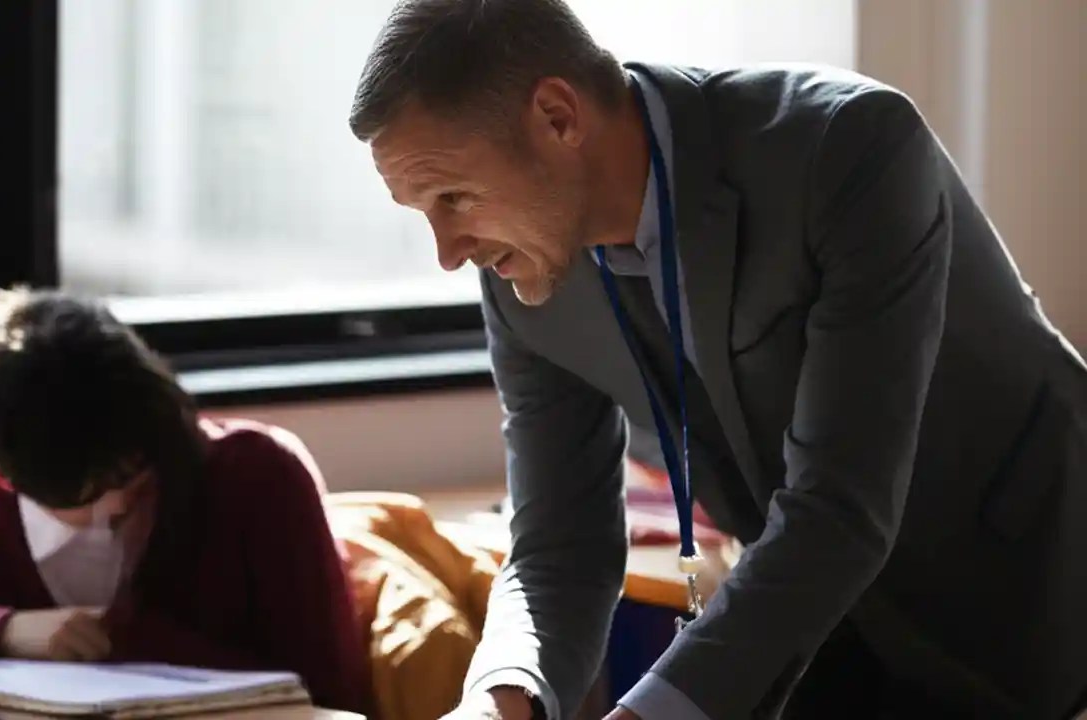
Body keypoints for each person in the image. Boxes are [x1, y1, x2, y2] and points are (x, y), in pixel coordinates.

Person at [348, 1, 1087, 719]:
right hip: (823, 632)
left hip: (1032, 592)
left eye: (454, 197)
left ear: (557, 117)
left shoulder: (849, 145)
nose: (448, 255)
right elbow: (557, 544)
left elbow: (837, 509)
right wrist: (499, 697)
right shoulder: (520, 270)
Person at [0, 288, 368, 714]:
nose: (125, 496)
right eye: (92, 489)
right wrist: (0, 630)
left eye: (135, 467)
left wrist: (126, 641)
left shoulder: (256, 472)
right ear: (10, 477)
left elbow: (334, 692)